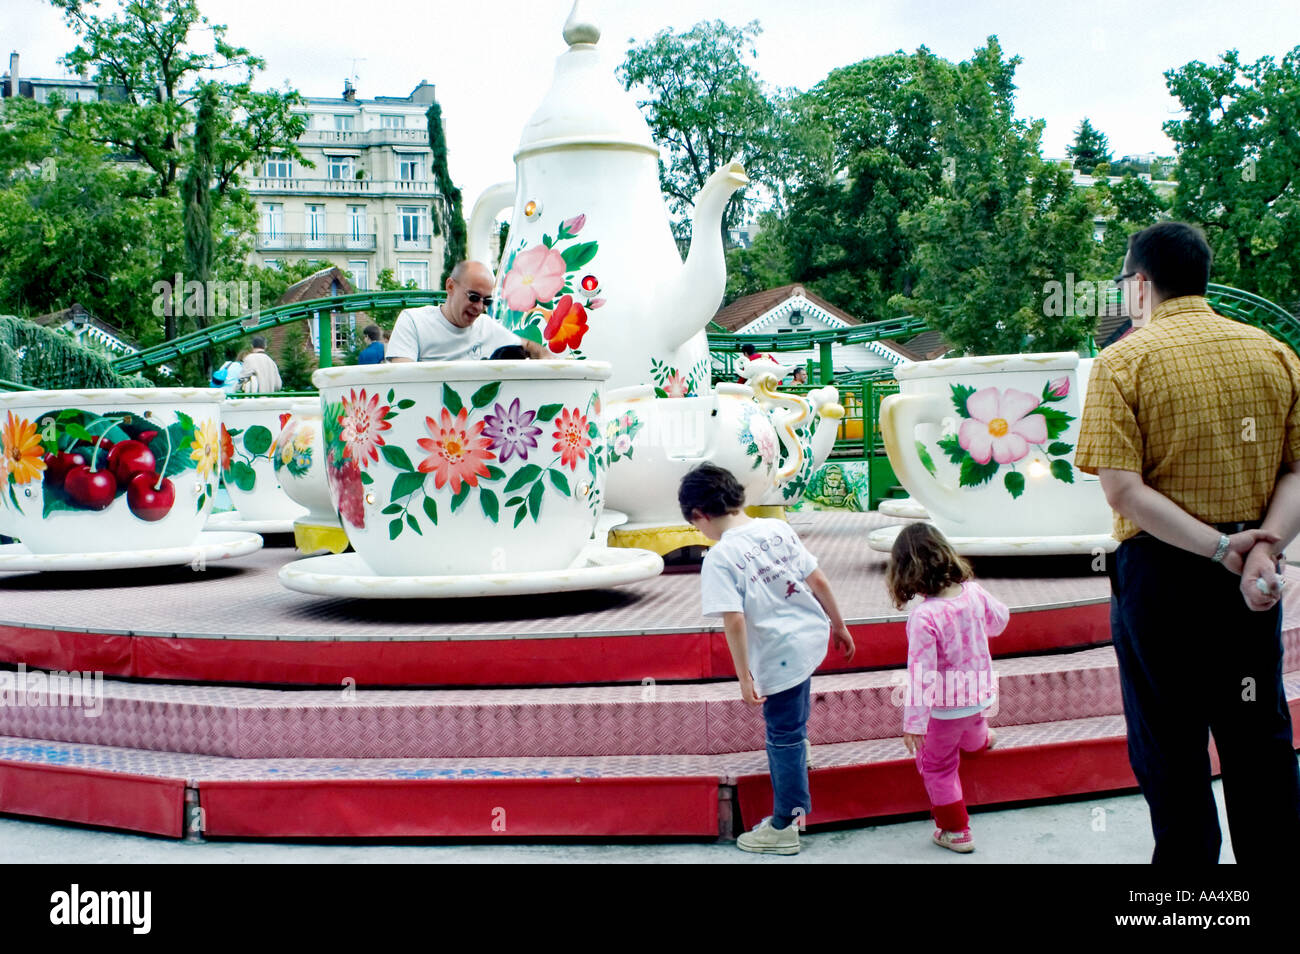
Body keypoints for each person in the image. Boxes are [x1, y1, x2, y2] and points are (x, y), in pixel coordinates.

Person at [1075, 221, 1300, 863]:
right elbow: (1298, 469)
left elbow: (1123, 492)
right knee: (1257, 733)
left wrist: (1216, 549)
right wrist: (1259, 547)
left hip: (1163, 577)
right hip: (1254, 577)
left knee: (1169, 741)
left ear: (1141, 284)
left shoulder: (1123, 361)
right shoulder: (1272, 351)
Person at [679, 462, 855, 855]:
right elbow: (819, 579)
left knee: (783, 734)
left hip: (778, 654)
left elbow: (735, 619)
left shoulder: (721, 557)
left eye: (696, 525)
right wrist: (839, 624)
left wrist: (743, 677)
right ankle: (798, 762)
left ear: (699, 515)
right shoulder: (777, 529)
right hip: (810, 636)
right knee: (794, 720)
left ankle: (784, 824)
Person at [886, 522, 1008, 853]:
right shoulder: (973, 593)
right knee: (973, 728)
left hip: (944, 709)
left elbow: (922, 674)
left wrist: (914, 724)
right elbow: (1000, 620)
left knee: (937, 767)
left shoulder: (925, 616)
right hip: (980, 695)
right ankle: (980, 742)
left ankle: (956, 831)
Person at [387, 260, 547, 362]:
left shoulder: (486, 325)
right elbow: (402, 379)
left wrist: (548, 359)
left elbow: (527, 345)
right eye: (474, 297)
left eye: (487, 301)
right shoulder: (414, 321)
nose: (479, 307)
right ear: (450, 286)